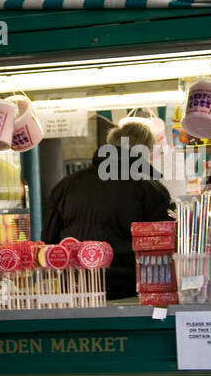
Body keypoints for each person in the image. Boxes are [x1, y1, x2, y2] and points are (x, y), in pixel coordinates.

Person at [44, 121, 173, 300]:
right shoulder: (151, 190)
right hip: (129, 291)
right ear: (145, 152)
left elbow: (49, 242)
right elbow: (162, 250)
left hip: (75, 288)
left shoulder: (66, 185)